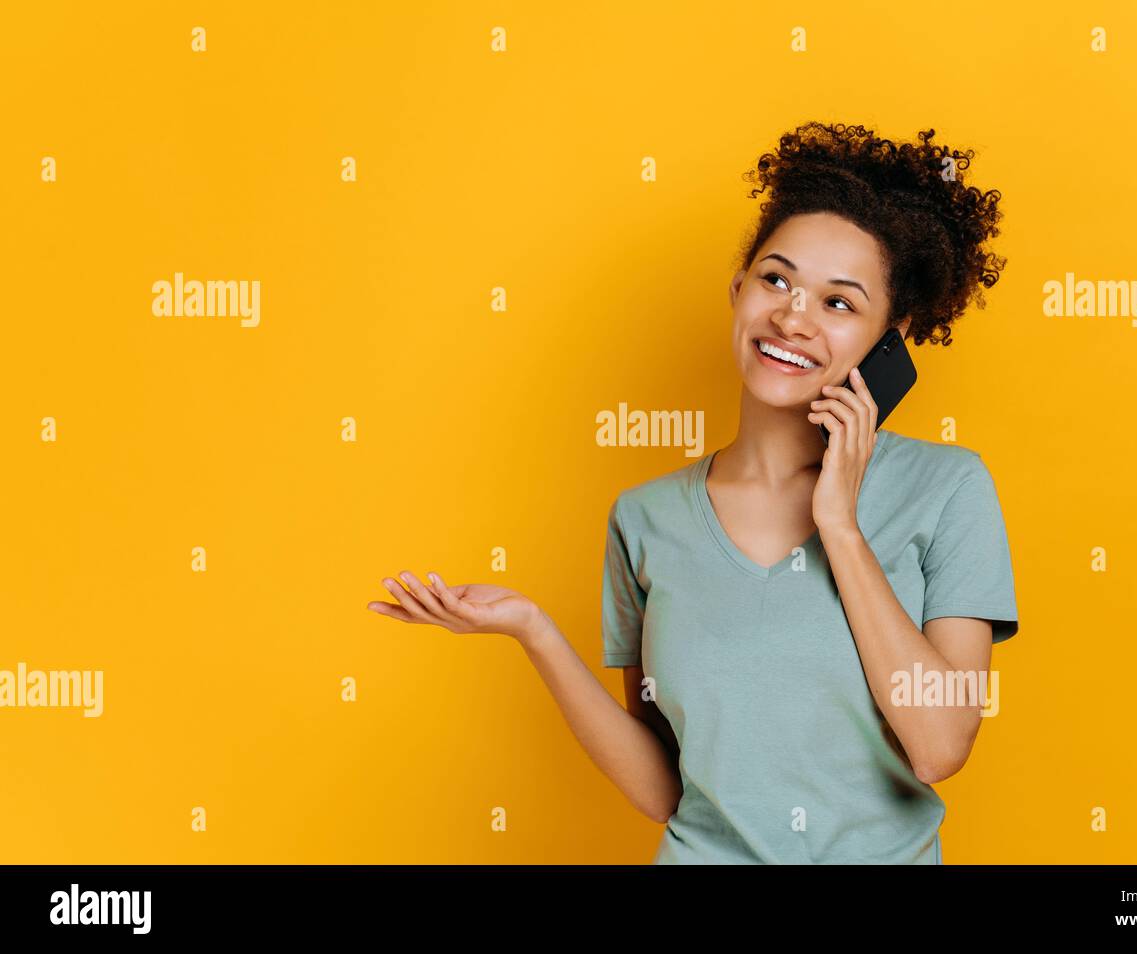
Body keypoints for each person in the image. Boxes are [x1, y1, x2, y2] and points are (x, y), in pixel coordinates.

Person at [367, 121, 1019, 864]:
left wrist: (838, 524)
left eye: (839, 304)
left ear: (888, 341)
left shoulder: (947, 489)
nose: (792, 316)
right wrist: (534, 631)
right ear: (739, 290)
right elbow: (667, 791)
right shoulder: (644, 519)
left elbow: (939, 746)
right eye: (776, 279)